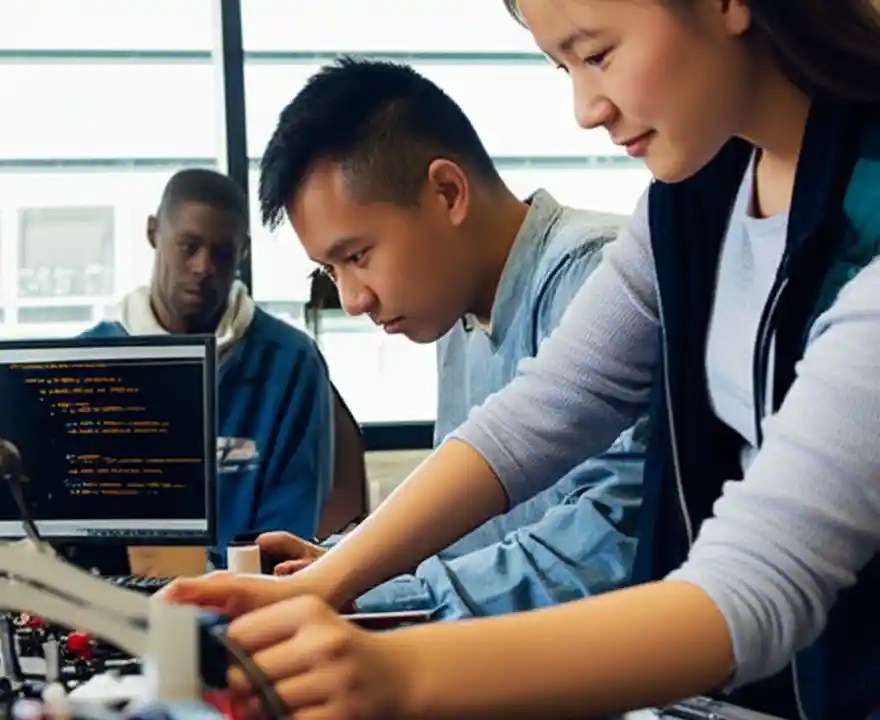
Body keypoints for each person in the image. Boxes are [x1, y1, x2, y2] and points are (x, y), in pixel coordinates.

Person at [164, 1, 880, 717]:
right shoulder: (694, 197)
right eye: (561, 64)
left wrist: (393, 665)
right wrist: (327, 581)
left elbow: (754, 587)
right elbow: (538, 416)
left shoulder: (860, 222)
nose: (585, 108)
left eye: (597, 54)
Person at [238, 57, 647, 621]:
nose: (353, 299)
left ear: (448, 192)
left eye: (357, 256)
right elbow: (470, 540)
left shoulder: (596, 277)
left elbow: (606, 552)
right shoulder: (457, 318)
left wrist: (352, 592)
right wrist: (338, 565)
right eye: (331, 272)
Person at [81, 168, 332, 568]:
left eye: (221, 252)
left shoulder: (290, 364)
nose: (203, 267)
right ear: (152, 233)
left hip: (242, 608)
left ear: (243, 251)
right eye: (188, 246)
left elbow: (285, 539)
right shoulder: (86, 364)